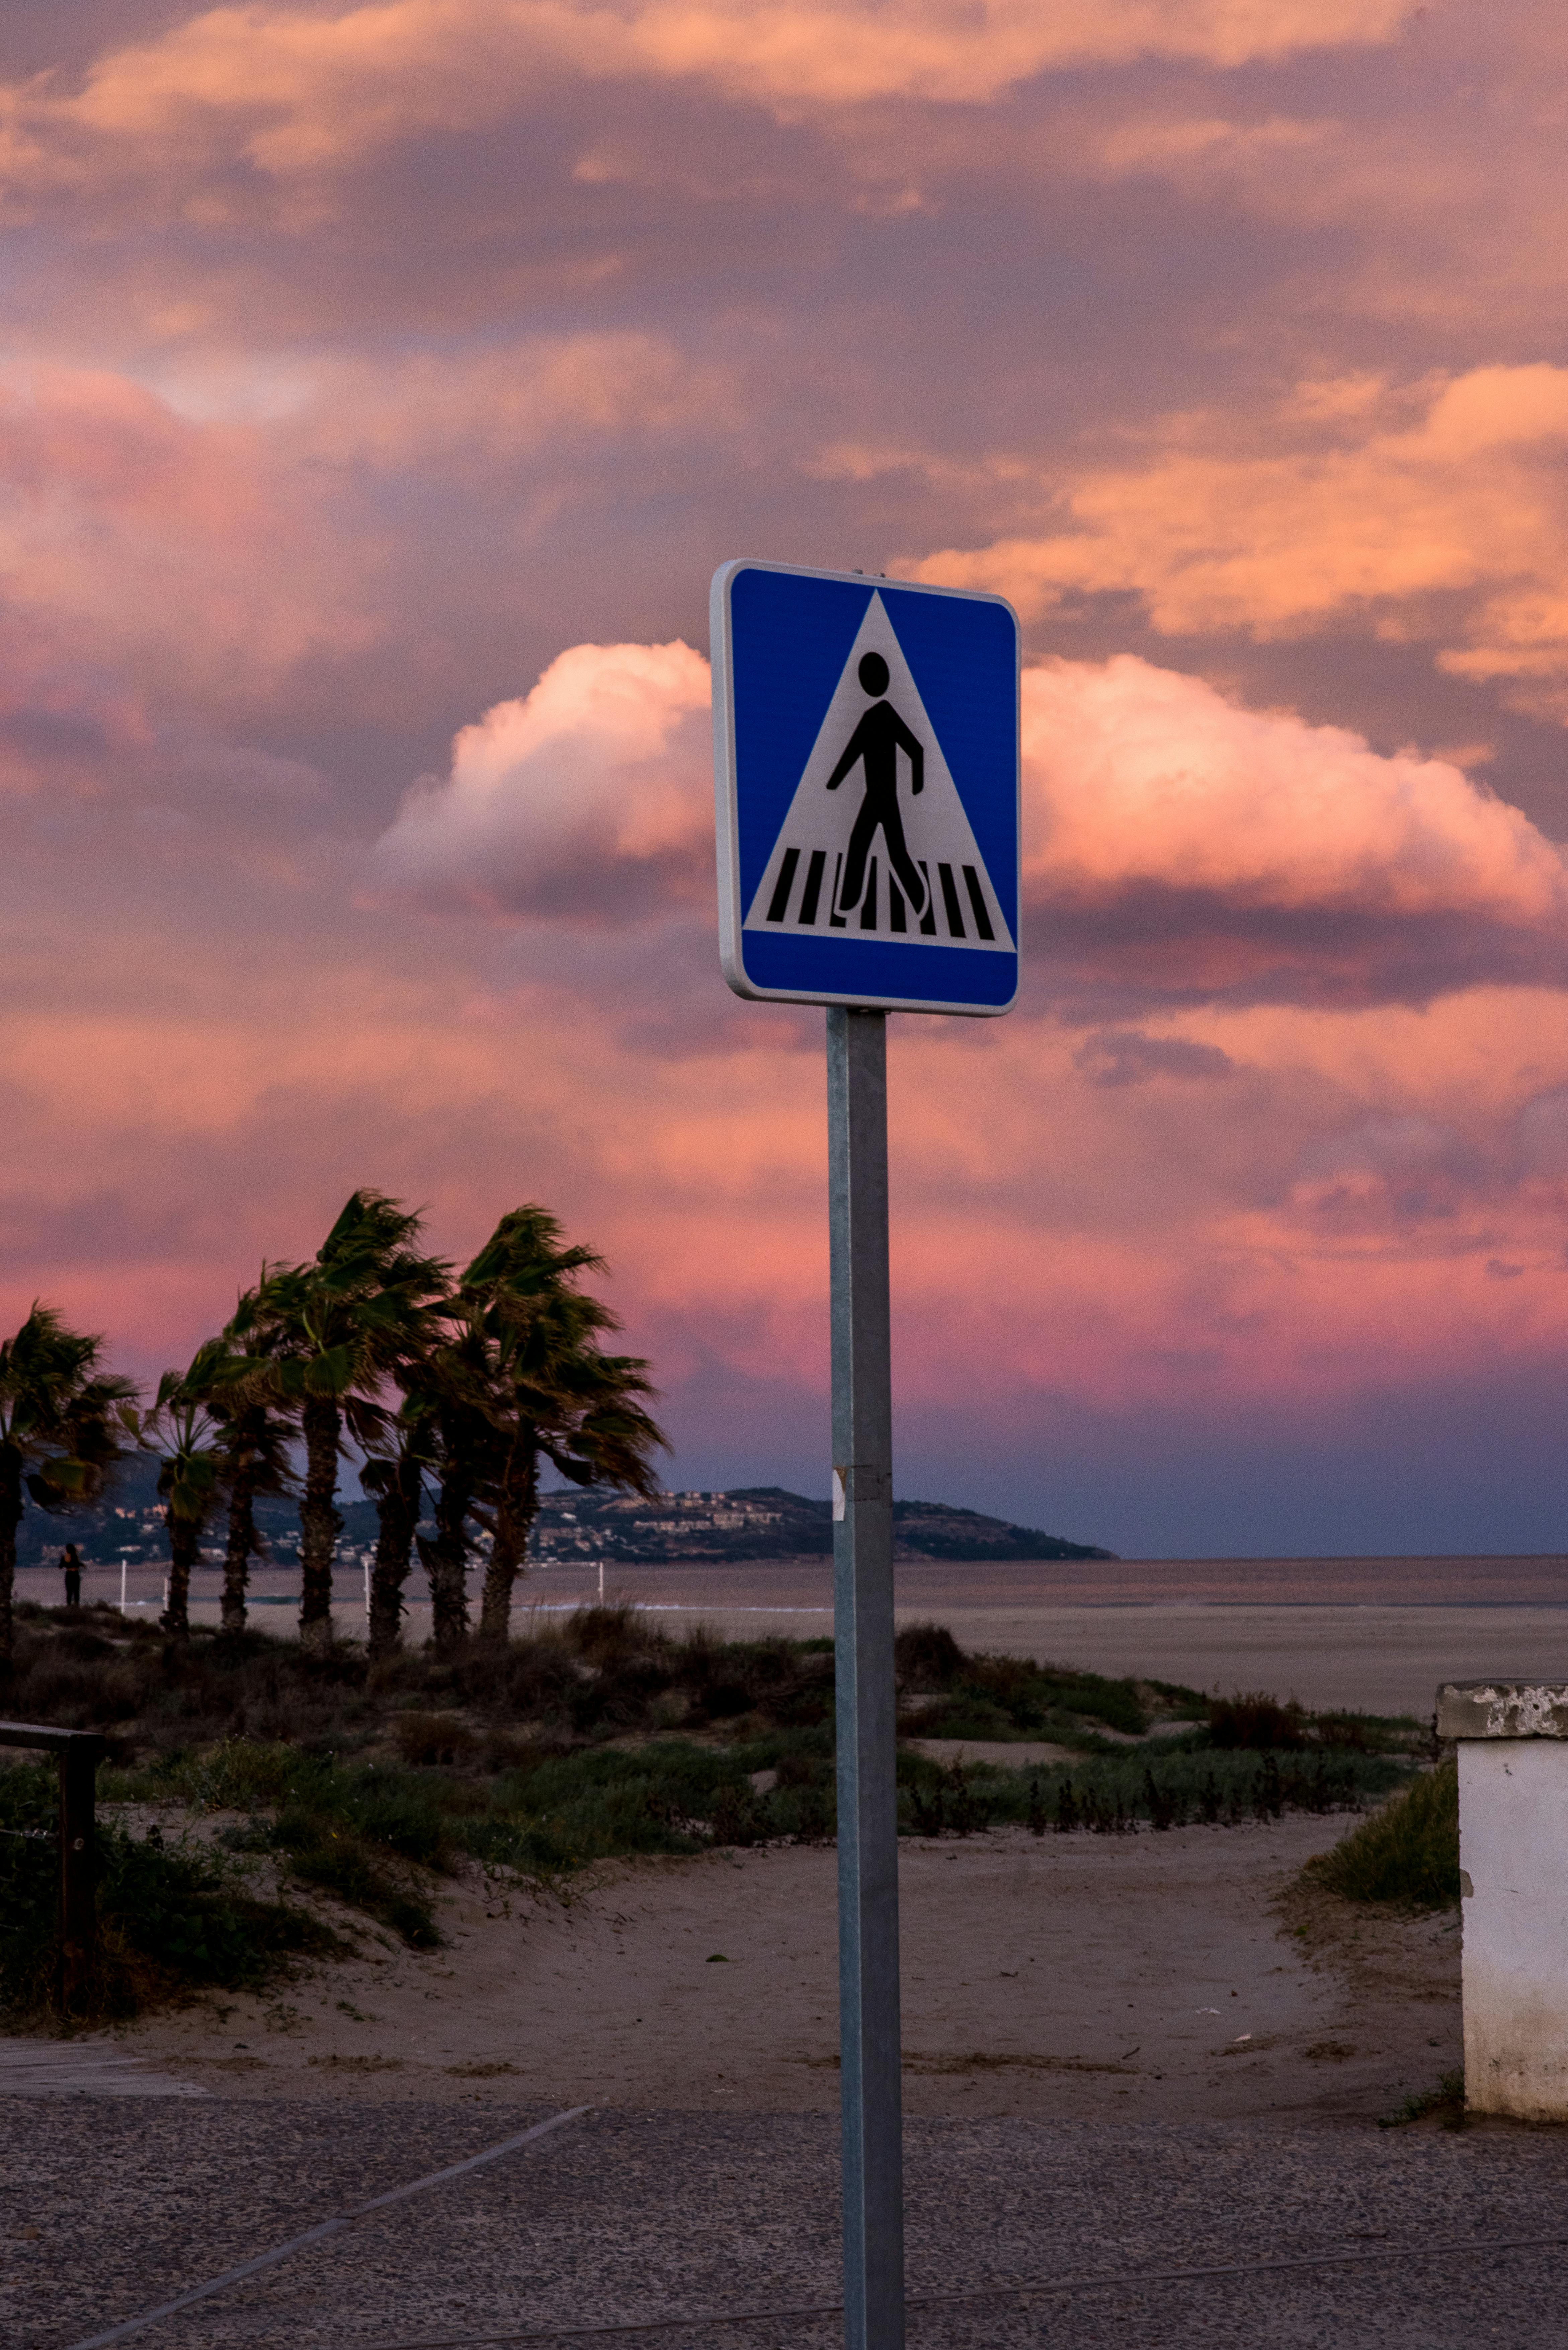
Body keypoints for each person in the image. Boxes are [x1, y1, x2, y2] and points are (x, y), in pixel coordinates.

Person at [824, 650, 929, 920]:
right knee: (864, 845)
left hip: (884, 797)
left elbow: (916, 750)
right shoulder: (871, 717)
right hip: (875, 797)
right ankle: (850, 903)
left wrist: (917, 788)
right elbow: (852, 752)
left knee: (886, 850)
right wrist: (832, 784)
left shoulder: (884, 715)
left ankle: (918, 901)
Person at [60, 1543, 82, 1608]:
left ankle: (69, 1605)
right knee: (76, 1591)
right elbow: (78, 1564)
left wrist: (65, 1564)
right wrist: (82, 1565)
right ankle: (77, 1605)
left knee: (69, 1591)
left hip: (69, 1575)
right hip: (75, 1575)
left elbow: (61, 1566)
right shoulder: (75, 1556)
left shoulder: (64, 1558)